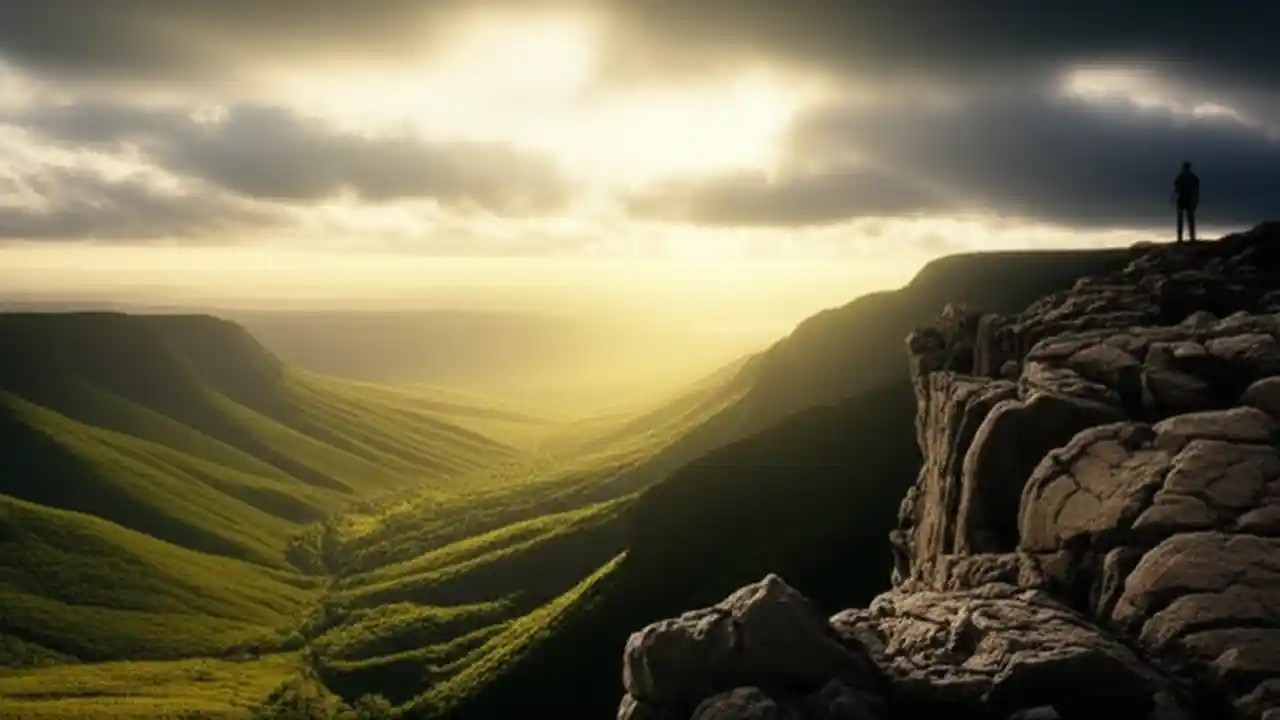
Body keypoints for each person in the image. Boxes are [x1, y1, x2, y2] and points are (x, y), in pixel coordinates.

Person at [1172, 161, 1199, 242]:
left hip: (1184, 200)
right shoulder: (1191, 177)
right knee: (1187, 219)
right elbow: (1196, 190)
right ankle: (1189, 238)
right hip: (1186, 200)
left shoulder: (1182, 177)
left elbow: (1176, 188)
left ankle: (1184, 238)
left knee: (1185, 220)